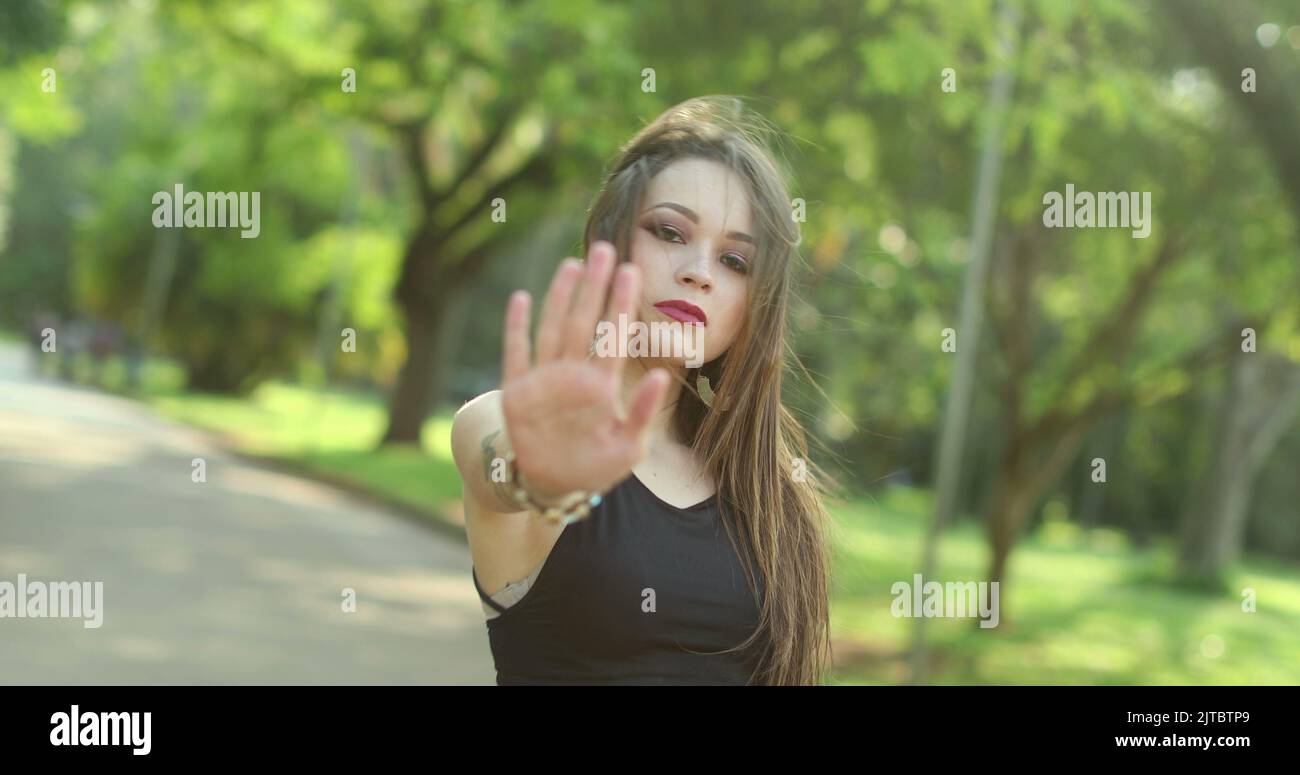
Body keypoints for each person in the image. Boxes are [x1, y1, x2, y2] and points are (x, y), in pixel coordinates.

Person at [450, 96, 833, 685]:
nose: (700, 270)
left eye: (735, 260)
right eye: (670, 232)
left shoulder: (770, 492)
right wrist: (542, 480)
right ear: (611, 241)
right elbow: (501, 473)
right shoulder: (498, 423)